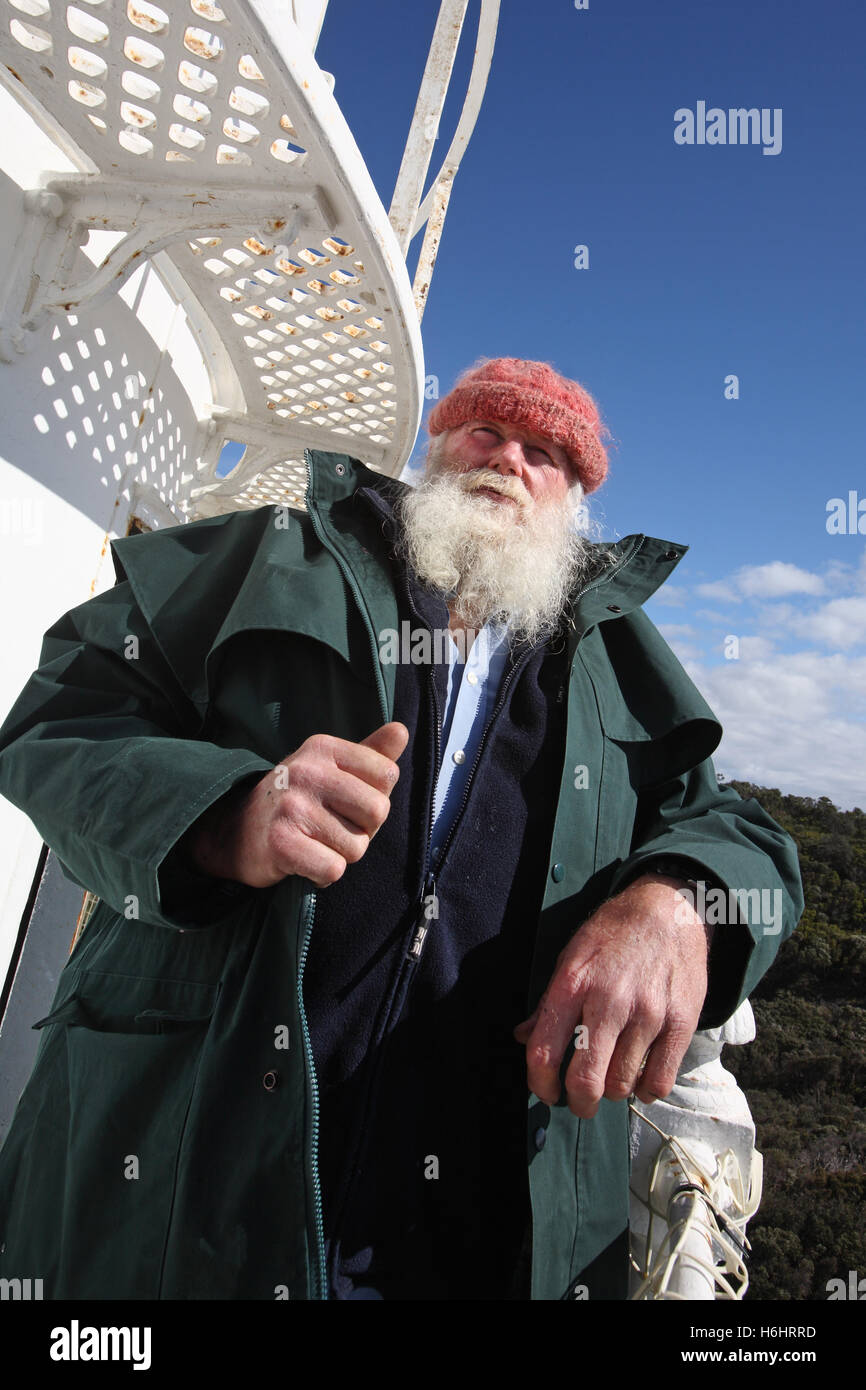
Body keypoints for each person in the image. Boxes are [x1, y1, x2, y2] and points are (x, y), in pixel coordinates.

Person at [0, 357, 803, 1301]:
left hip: (472, 1225)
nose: (509, 459)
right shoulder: (262, 557)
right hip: (191, 1174)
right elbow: (60, 721)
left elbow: (735, 834)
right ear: (437, 445)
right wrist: (226, 812)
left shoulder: (619, 665)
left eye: (545, 452)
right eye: (487, 431)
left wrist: (676, 906)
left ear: (574, 494)